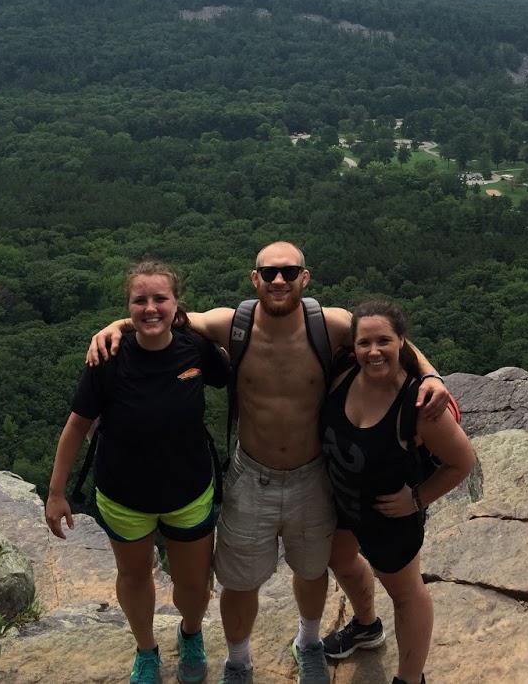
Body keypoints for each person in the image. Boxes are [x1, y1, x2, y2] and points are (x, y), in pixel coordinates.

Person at [89, 242, 451, 684]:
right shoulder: (232, 324)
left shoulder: (329, 324)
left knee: (311, 569)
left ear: (304, 277)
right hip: (251, 474)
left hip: (312, 474)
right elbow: (165, 316)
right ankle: (238, 659)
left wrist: (431, 375)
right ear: (254, 279)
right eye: (269, 272)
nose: (279, 279)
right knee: (239, 580)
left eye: (289, 271)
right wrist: (115, 325)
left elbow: (388, 336)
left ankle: (309, 642)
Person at [47, 260, 232, 684]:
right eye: (140, 300)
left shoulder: (195, 348)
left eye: (160, 299)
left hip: (188, 490)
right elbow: (76, 426)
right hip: (123, 494)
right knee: (133, 578)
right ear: (128, 307)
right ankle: (146, 649)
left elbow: (236, 374)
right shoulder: (108, 358)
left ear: (176, 304)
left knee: (193, 583)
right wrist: (56, 494)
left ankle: (191, 633)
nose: (151, 308)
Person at [317, 299, 474, 684]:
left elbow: (463, 461)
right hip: (343, 501)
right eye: (364, 342)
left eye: (384, 341)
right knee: (340, 558)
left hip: (389, 515)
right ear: (351, 346)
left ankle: (409, 678)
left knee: (406, 594)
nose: (374, 351)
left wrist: (417, 500)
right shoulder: (342, 372)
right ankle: (367, 626)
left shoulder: (419, 404)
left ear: (402, 342)